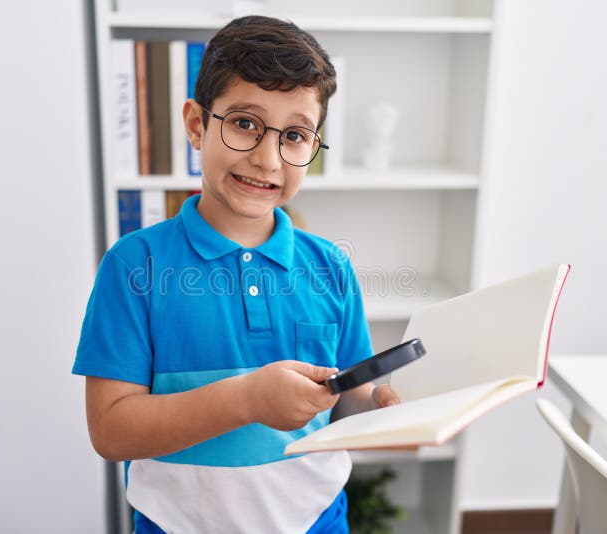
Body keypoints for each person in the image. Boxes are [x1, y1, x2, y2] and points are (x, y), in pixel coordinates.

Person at [73, 15, 400, 533]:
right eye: (245, 123)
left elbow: (346, 400)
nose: (268, 158)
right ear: (197, 124)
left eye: (294, 135)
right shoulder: (136, 266)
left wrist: (382, 405)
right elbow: (111, 431)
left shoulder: (330, 267)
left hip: (316, 520)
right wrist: (247, 400)